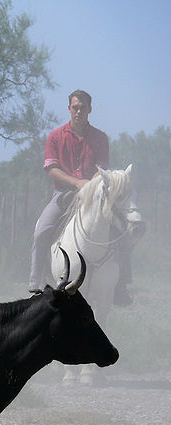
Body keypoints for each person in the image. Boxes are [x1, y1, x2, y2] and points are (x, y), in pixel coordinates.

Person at [28, 89, 136, 305]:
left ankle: (121, 285)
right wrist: (77, 183)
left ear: (90, 109)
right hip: (63, 193)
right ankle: (36, 280)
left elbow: (102, 169)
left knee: (123, 230)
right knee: (42, 229)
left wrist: (92, 183)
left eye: (82, 107)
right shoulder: (55, 136)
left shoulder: (100, 137)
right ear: (69, 109)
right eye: (75, 107)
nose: (78, 111)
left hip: (94, 194)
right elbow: (52, 169)